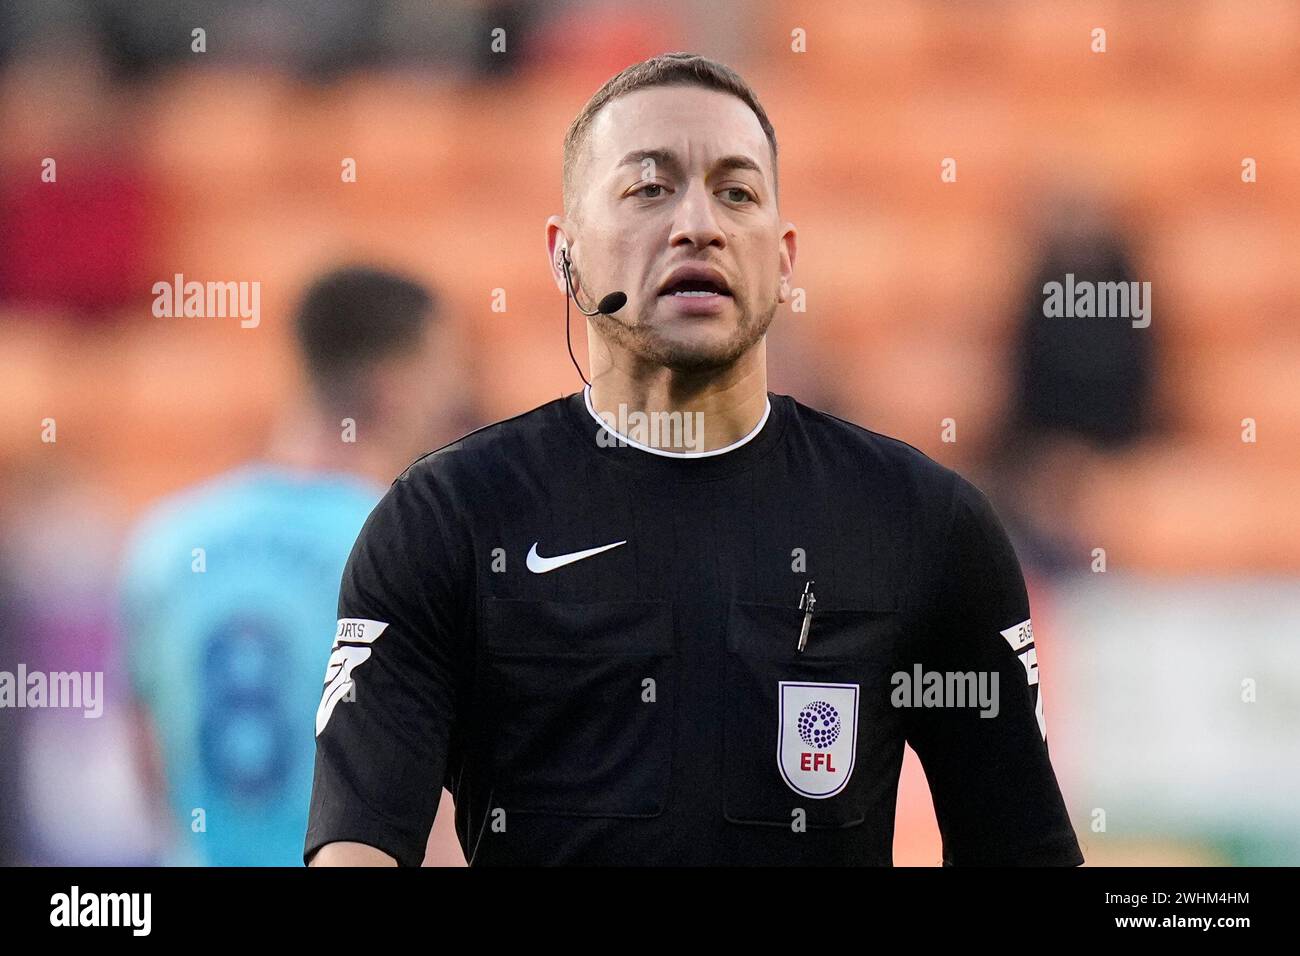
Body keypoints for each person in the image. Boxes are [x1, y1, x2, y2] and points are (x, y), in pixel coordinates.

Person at [306, 53, 1083, 867]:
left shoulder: (925, 525)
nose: (698, 224)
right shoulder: (447, 520)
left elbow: (1022, 849)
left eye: (737, 192)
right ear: (563, 253)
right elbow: (358, 847)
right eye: (650, 187)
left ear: (783, 260)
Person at [120, 265, 455, 865]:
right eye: (441, 373)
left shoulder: (165, 542)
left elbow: (148, 766)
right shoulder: (410, 547)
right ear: (393, 384)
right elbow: (440, 815)